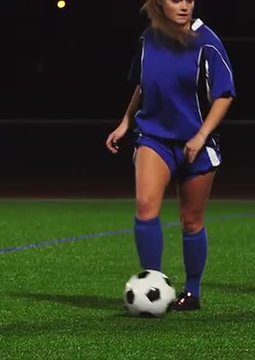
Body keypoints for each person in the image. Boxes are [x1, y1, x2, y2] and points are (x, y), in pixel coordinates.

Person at [105, 0, 235, 311]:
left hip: (197, 143)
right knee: (146, 207)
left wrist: (201, 136)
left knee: (191, 221)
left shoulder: (208, 42)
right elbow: (142, 84)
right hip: (155, 138)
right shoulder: (148, 39)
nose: (185, 5)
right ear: (159, 3)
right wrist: (125, 122)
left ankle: (192, 292)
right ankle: (153, 285)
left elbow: (224, 95)